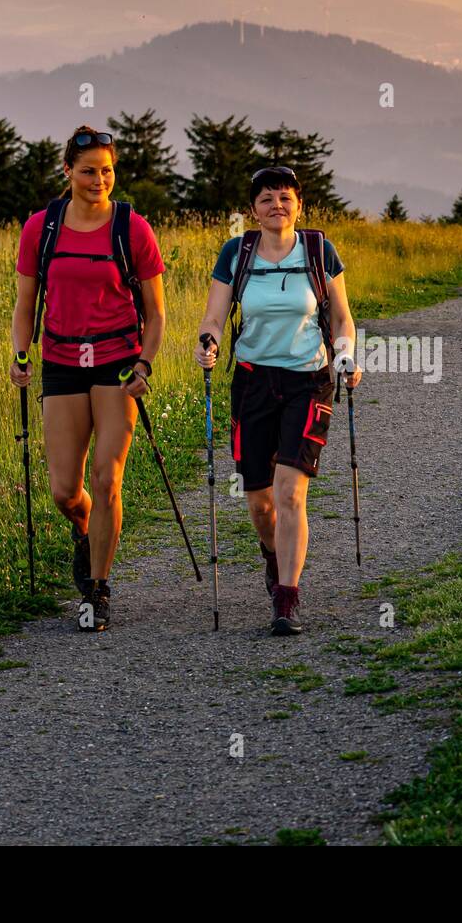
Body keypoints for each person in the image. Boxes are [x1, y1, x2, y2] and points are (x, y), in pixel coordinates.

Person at [10, 126, 166, 632]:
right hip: (59, 359)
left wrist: (144, 363)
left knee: (108, 476)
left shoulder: (132, 228)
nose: (99, 179)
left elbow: (156, 312)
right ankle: (84, 530)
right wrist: (20, 352)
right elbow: (25, 301)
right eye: (88, 171)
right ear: (67, 173)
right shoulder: (42, 228)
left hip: (117, 362)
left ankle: (96, 590)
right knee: (64, 490)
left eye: (106, 170)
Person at [194, 166, 361, 636]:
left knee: (291, 492)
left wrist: (345, 355)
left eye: (285, 198)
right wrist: (207, 342)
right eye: (266, 199)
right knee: (259, 502)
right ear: (253, 210)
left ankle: (286, 598)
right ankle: (273, 556)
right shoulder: (237, 252)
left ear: (299, 205)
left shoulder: (318, 252)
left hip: (308, 382)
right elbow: (214, 316)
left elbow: (342, 319)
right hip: (252, 383)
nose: (277, 206)